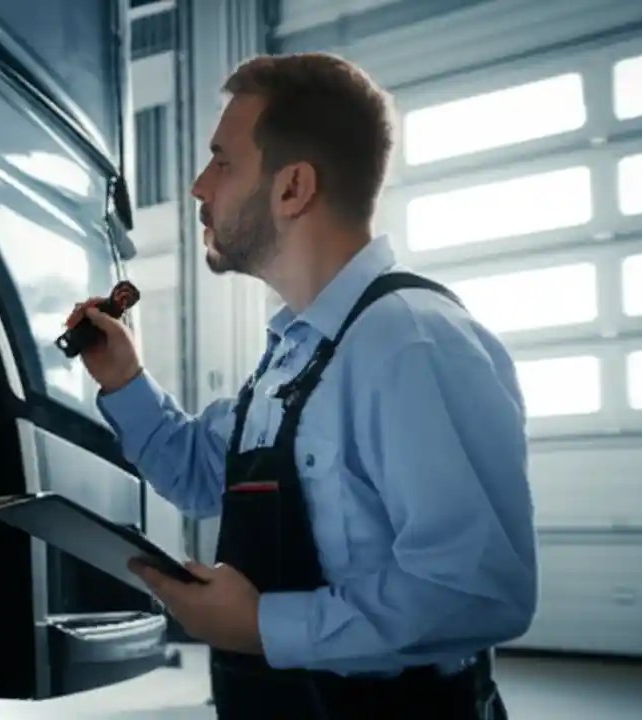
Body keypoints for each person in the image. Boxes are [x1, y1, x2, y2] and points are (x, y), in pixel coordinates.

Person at [65, 52, 538, 719]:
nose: (200, 187)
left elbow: (478, 591)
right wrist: (124, 380)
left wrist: (263, 626)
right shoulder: (292, 357)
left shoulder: (413, 344)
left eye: (222, 162)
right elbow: (202, 474)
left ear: (292, 189)